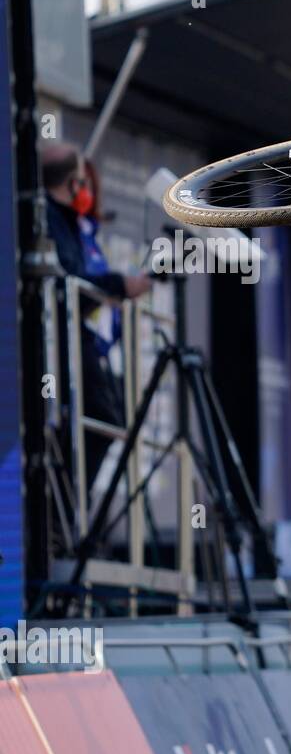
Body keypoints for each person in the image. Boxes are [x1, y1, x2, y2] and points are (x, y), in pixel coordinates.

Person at [41, 143, 152, 494]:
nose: (87, 192)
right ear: (73, 184)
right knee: (99, 417)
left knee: (102, 416)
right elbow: (67, 280)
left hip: (77, 337)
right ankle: (62, 516)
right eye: (83, 182)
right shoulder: (48, 217)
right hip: (58, 337)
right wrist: (119, 285)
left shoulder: (68, 220)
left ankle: (65, 514)